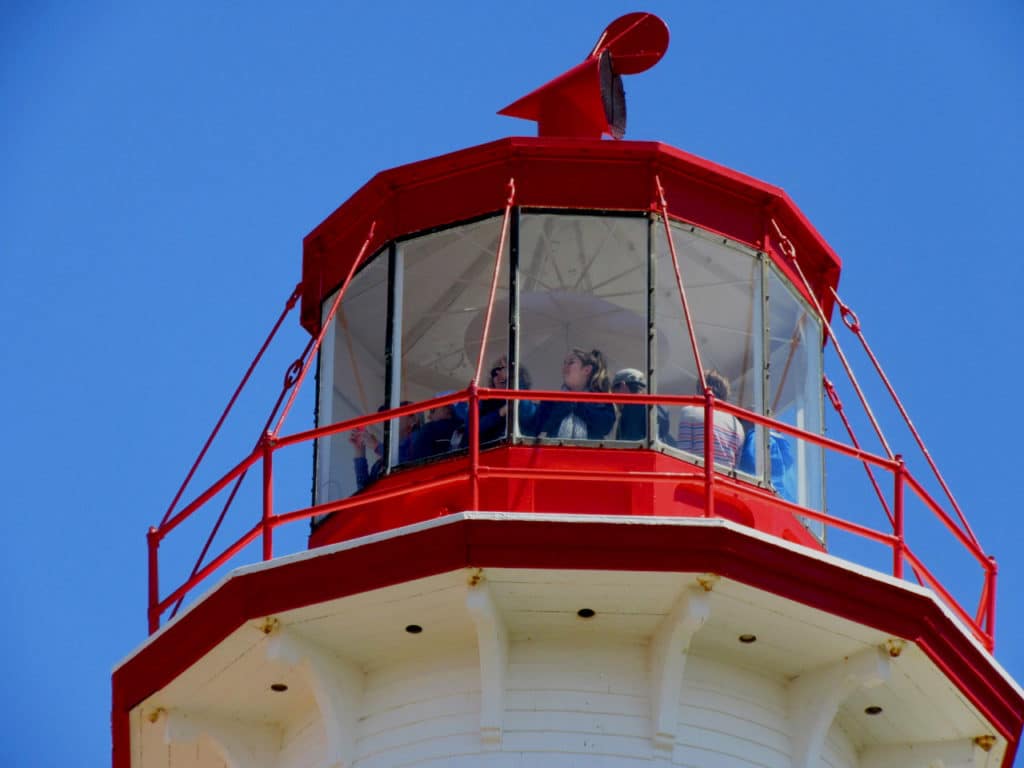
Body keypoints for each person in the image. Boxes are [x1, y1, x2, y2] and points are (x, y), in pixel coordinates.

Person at [528, 347, 616, 440]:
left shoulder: (601, 401)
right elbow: (537, 426)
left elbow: (605, 427)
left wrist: (578, 405)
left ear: (587, 370)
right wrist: (566, 405)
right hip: (558, 449)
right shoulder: (552, 401)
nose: (564, 367)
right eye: (564, 363)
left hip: (588, 449)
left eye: (571, 363)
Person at [676, 369, 745, 467]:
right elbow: (736, 466)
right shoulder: (737, 426)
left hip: (696, 474)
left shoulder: (689, 412)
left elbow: (683, 457)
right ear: (725, 393)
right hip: (723, 476)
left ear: (700, 389)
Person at [349, 401, 421, 491]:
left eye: (394, 413)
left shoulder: (420, 440)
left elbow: (406, 464)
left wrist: (376, 445)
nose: (387, 419)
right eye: (386, 416)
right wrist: (360, 450)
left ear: (413, 419)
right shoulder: (380, 462)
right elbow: (363, 489)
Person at [479, 354, 535, 443]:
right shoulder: (485, 401)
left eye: (504, 371)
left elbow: (529, 416)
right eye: (495, 373)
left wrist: (513, 380)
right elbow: (476, 427)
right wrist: (500, 412)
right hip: (491, 447)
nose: (499, 375)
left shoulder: (525, 401)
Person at [611, 368, 671, 443]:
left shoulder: (631, 411)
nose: (614, 400)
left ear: (623, 387)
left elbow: (629, 445)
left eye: (614, 392)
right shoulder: (654, 408)